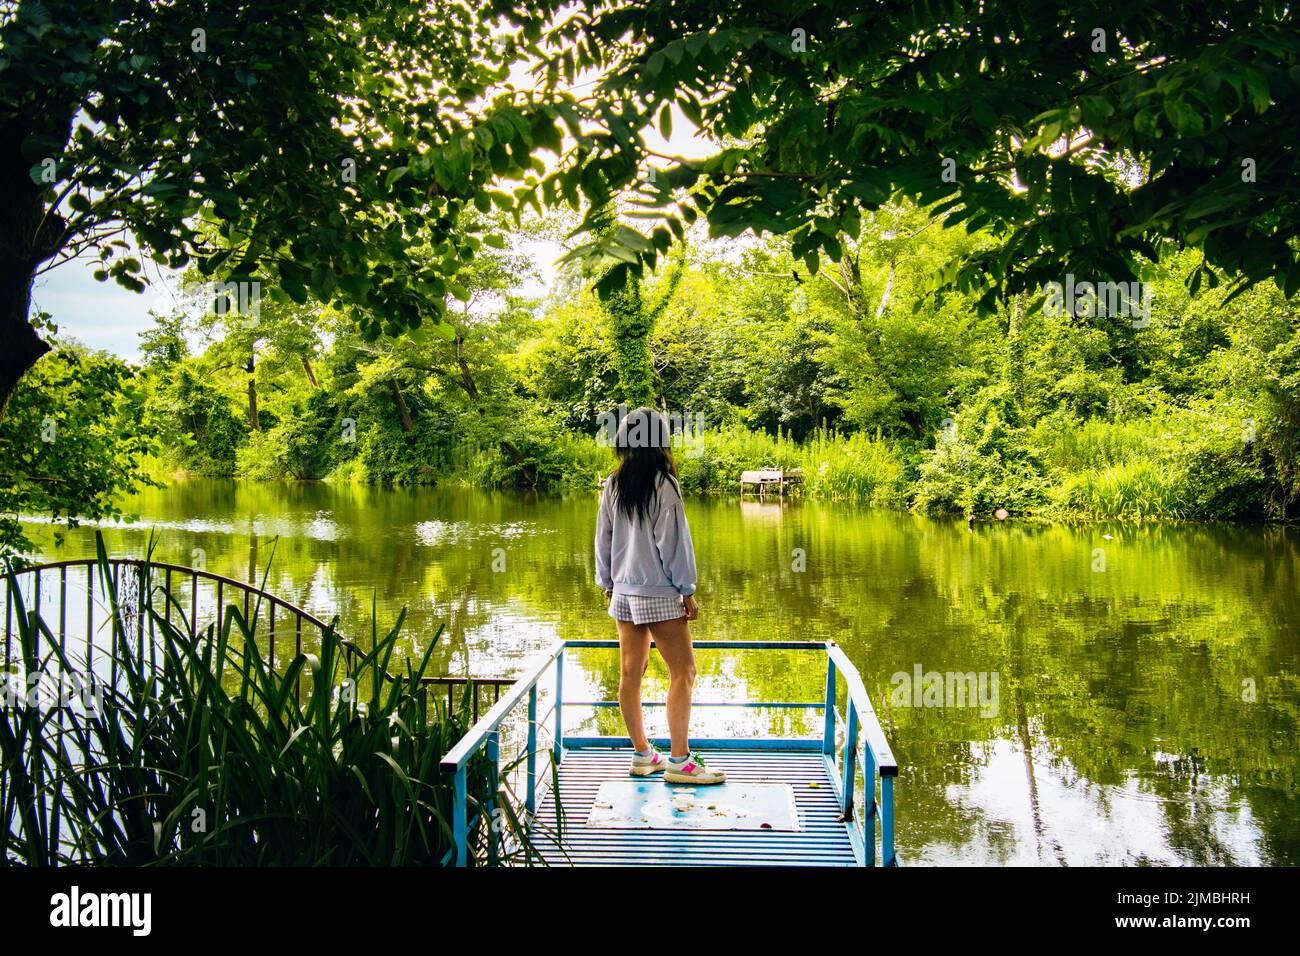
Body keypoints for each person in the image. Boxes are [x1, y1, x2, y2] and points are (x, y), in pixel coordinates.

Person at [594, 406, 724, 785]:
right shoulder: (664, 484)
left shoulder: (613, 484)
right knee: (683, 672)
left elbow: (602, 540)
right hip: (660, 593)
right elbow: (675, 546)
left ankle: (642, 754)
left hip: (622, 592)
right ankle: (680, 761)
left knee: (630, 674)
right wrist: (687, 591)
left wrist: (607, 583)